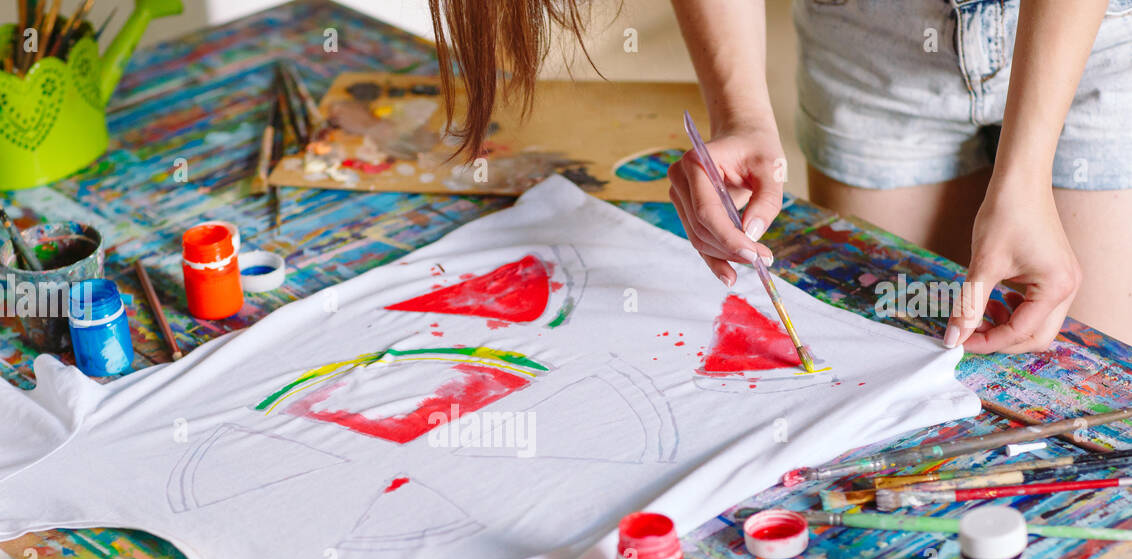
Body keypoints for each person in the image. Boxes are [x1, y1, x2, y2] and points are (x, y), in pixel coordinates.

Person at [427, 0, 1132, 352]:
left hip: (1091, 32)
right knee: (902, 337)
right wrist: (740, 114)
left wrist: (1025, 172)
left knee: (1069, 359)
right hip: (866, 31)